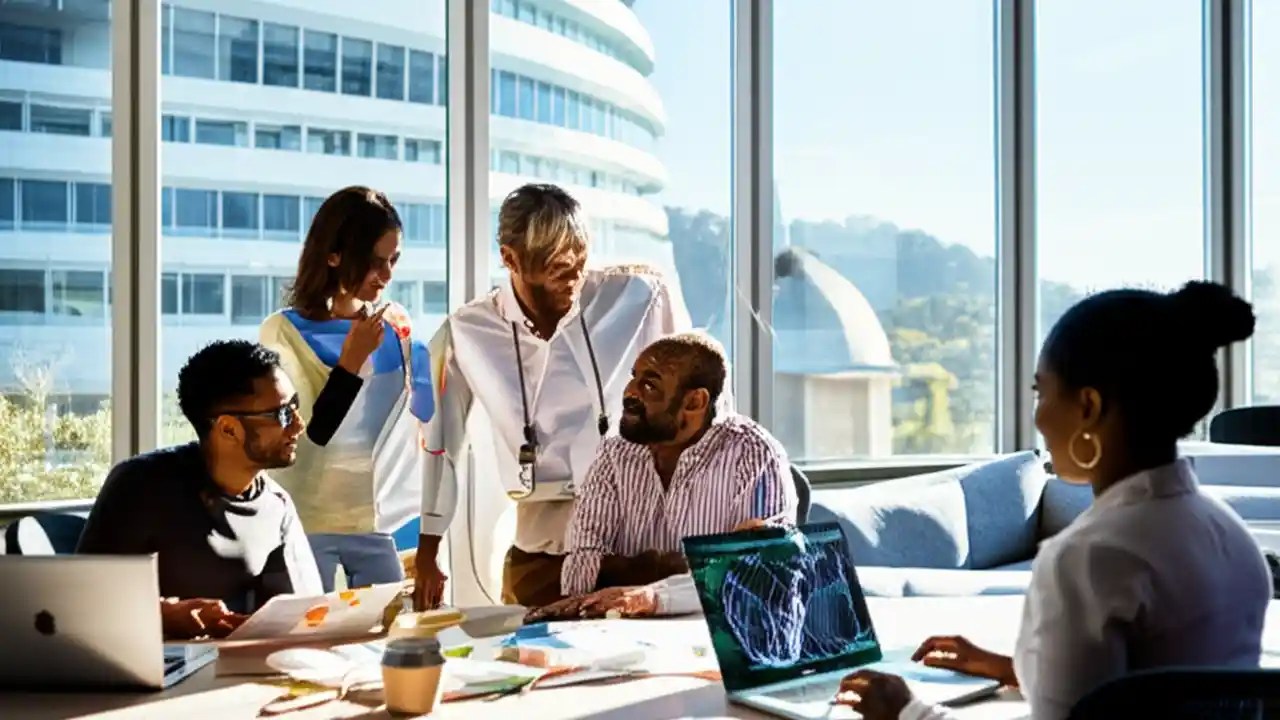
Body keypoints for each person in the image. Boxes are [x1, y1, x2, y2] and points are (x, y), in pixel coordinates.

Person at [837, 281, 1273, 720]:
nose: (1039, 417)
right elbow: (1162, 682)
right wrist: (1020, 669)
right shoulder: (1232, 538)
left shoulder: (1087, 558)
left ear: (1088, 407)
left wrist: (908, 711)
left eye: (1041, 392)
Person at [415, 183, 692, 609]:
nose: (574, 278)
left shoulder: (638, 298)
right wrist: (428, 553)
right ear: (510, 258)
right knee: (531, 649)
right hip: (541, 554)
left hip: (636, 547)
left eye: (580, 261)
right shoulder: (468, 333)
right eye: (558, 266)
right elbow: (440, 445)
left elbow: (703, 414)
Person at [77, 340, 323, 639]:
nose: (298, 425)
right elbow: (80, 601)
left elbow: (304, 618)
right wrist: (163, 616)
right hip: (143, 660)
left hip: (229, 662)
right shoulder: (141, 485)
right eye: (281, 414)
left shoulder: (277, 506)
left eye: (295, 406)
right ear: (228, 428)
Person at [260, 186, 433, 592]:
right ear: (333, 255)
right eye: (374, 262)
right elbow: (313, 433)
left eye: (392, 260)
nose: (386, 276)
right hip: (303, 521)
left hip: (374, 520)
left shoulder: (395, 327)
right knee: (308, 628)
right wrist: (350, 362)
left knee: (387, 625)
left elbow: (425, 425)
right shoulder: (282, 333)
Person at [558, 332, 795, 598]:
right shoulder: (615, 453)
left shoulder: (753, 454)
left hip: (706, 625)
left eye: (650, 386)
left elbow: (755, 582)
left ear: (695, 402)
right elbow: (579, 574)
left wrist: (633, 576)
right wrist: (691, 567)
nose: (630, 393)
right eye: (633, 378)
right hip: (615, 620)